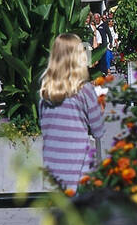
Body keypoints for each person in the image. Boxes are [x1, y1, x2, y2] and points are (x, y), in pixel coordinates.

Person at [38, 33, 107, 195]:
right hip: (78, 171)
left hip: (52, 169)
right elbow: (98, 130)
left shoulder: (45, 92)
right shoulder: (85, 90)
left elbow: (44, 127)